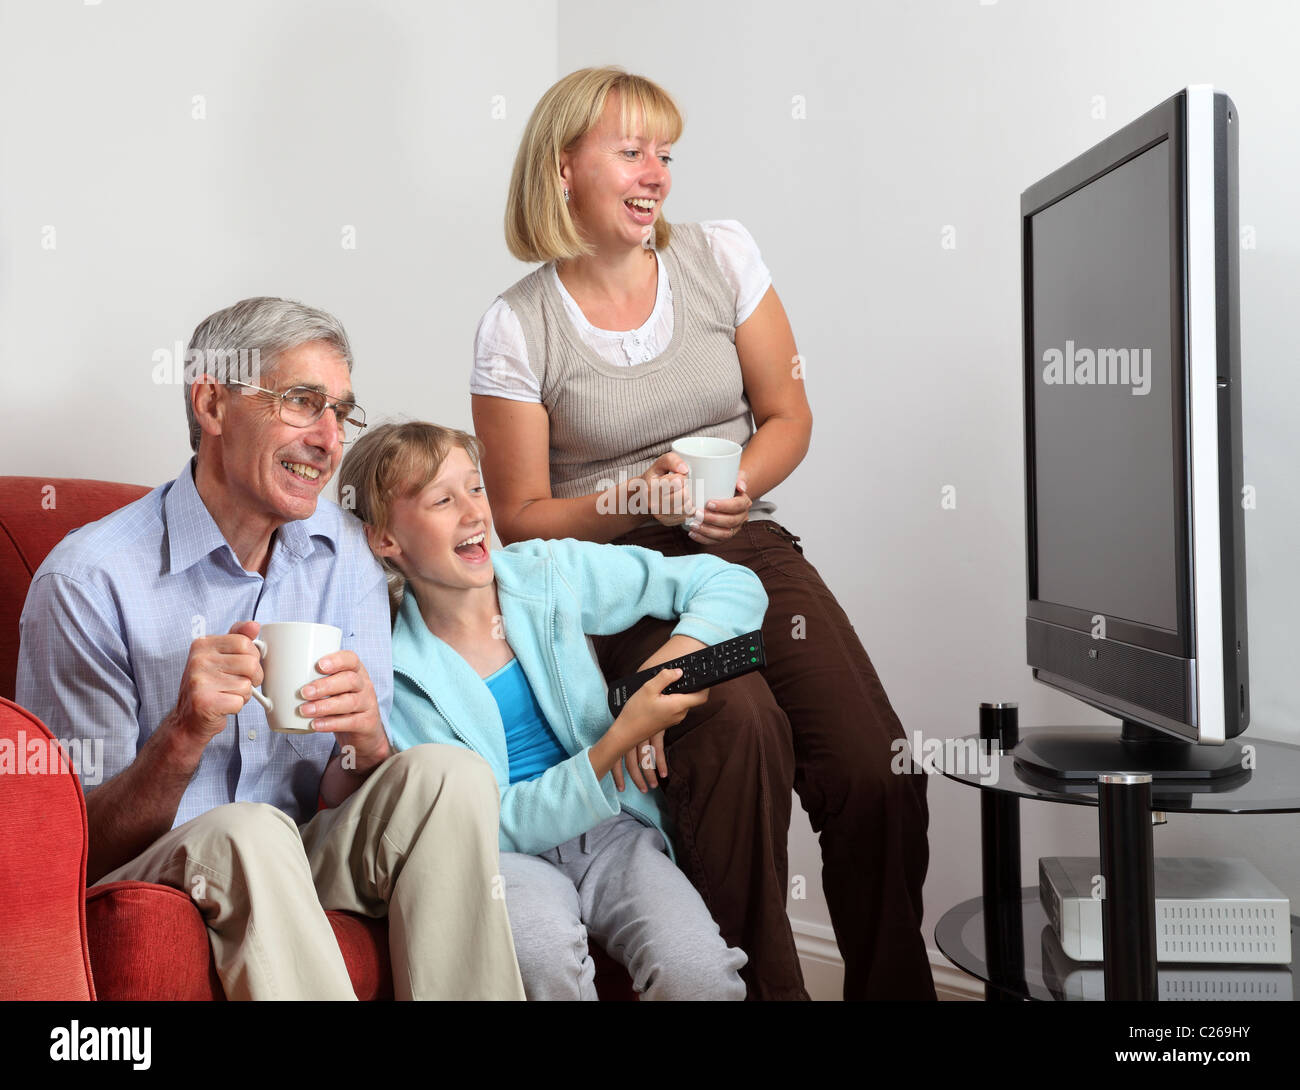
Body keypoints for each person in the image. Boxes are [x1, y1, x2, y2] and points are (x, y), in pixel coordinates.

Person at [470, 67, 934, 1000]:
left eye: (666, 153)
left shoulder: (721, 257)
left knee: (873, 769)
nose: (658, 175)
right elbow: (517, 523)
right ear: (563, 168)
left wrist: (735, 491)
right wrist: (641, 501)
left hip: (743, 549)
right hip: (614, 578)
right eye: (631, 151)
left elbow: (787, 415)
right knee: (736, 732)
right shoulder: (516, 327)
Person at [16, 297, 524, 1001]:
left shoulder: (345, 553)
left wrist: (366, 743)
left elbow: (339, 790)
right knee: (249, 833)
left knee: (449, 775)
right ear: (213, 406)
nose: (328, 438)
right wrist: (184, 736)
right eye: (303, 402)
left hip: (298, 852)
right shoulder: (89, 580)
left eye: (340, 413)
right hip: (172, 861)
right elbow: (70, 848)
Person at [339, 420, 756, 1000]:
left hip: (614, 834)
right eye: (442, 499)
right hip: (502, 856)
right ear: (386, 540)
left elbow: (729, 583)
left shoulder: (545, 573)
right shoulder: (395, 674)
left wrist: (676, 656)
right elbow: (494, 818)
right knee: (540, 961)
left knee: (699, 973)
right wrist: (616, 742)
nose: (473, 512)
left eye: (476, 488)